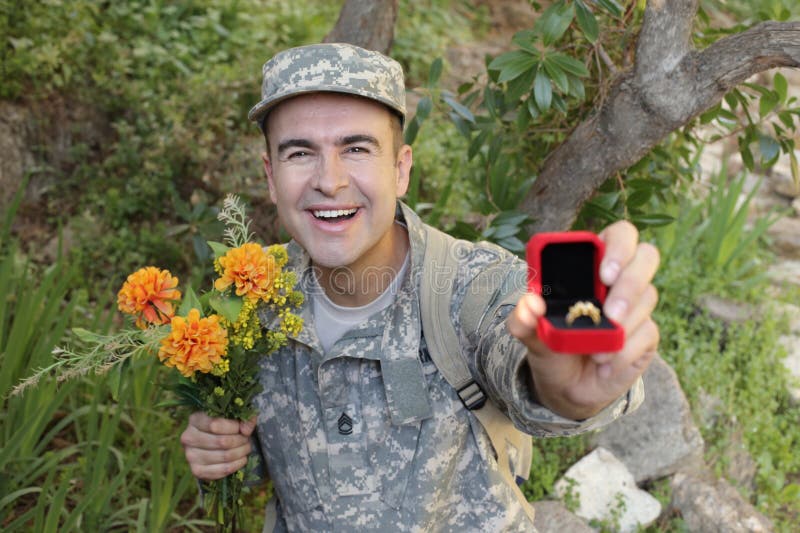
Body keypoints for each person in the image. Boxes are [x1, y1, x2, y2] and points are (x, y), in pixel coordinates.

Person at [181, 43, 660, 532]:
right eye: (300, 152)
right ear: (270, 175)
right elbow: (254, 461)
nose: (329, 180)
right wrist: (217, 450)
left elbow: (524, 353)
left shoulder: (473, 287)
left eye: (357, 148)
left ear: (401, 169)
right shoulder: (247, 298)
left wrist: (567, 391)